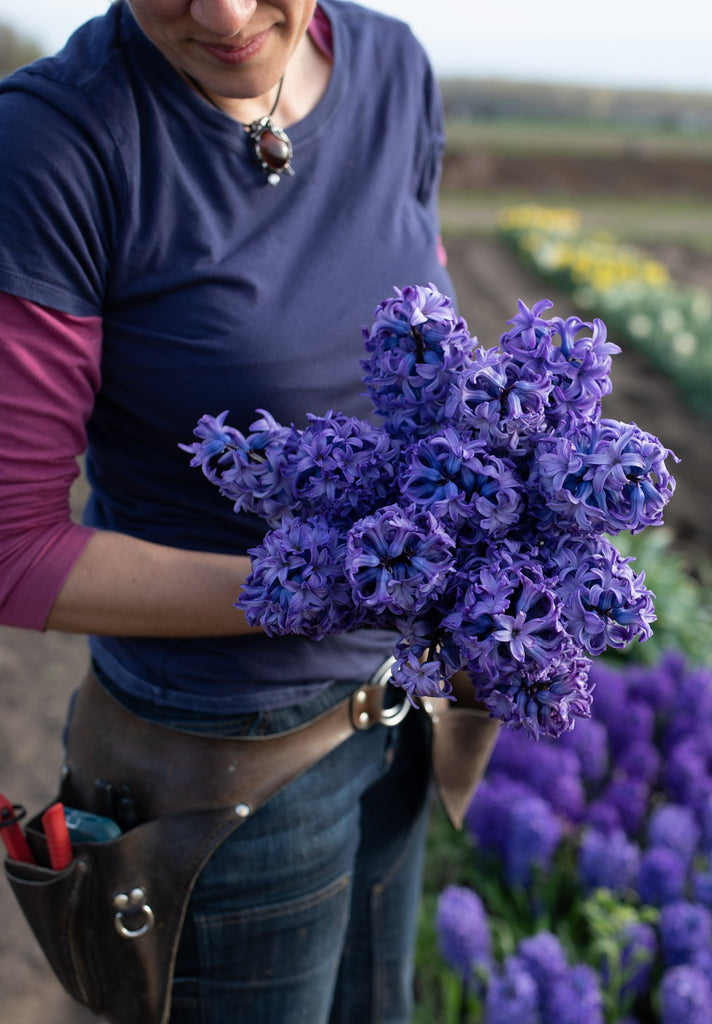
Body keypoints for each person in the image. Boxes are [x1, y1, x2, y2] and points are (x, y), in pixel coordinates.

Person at [0, 1, 455, 1020]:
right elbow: (10, 548)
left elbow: (429, 350)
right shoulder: (54, 145)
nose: (223, 14)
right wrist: (335, 585)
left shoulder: (393, 67)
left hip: (398, 713)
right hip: (222, 766)